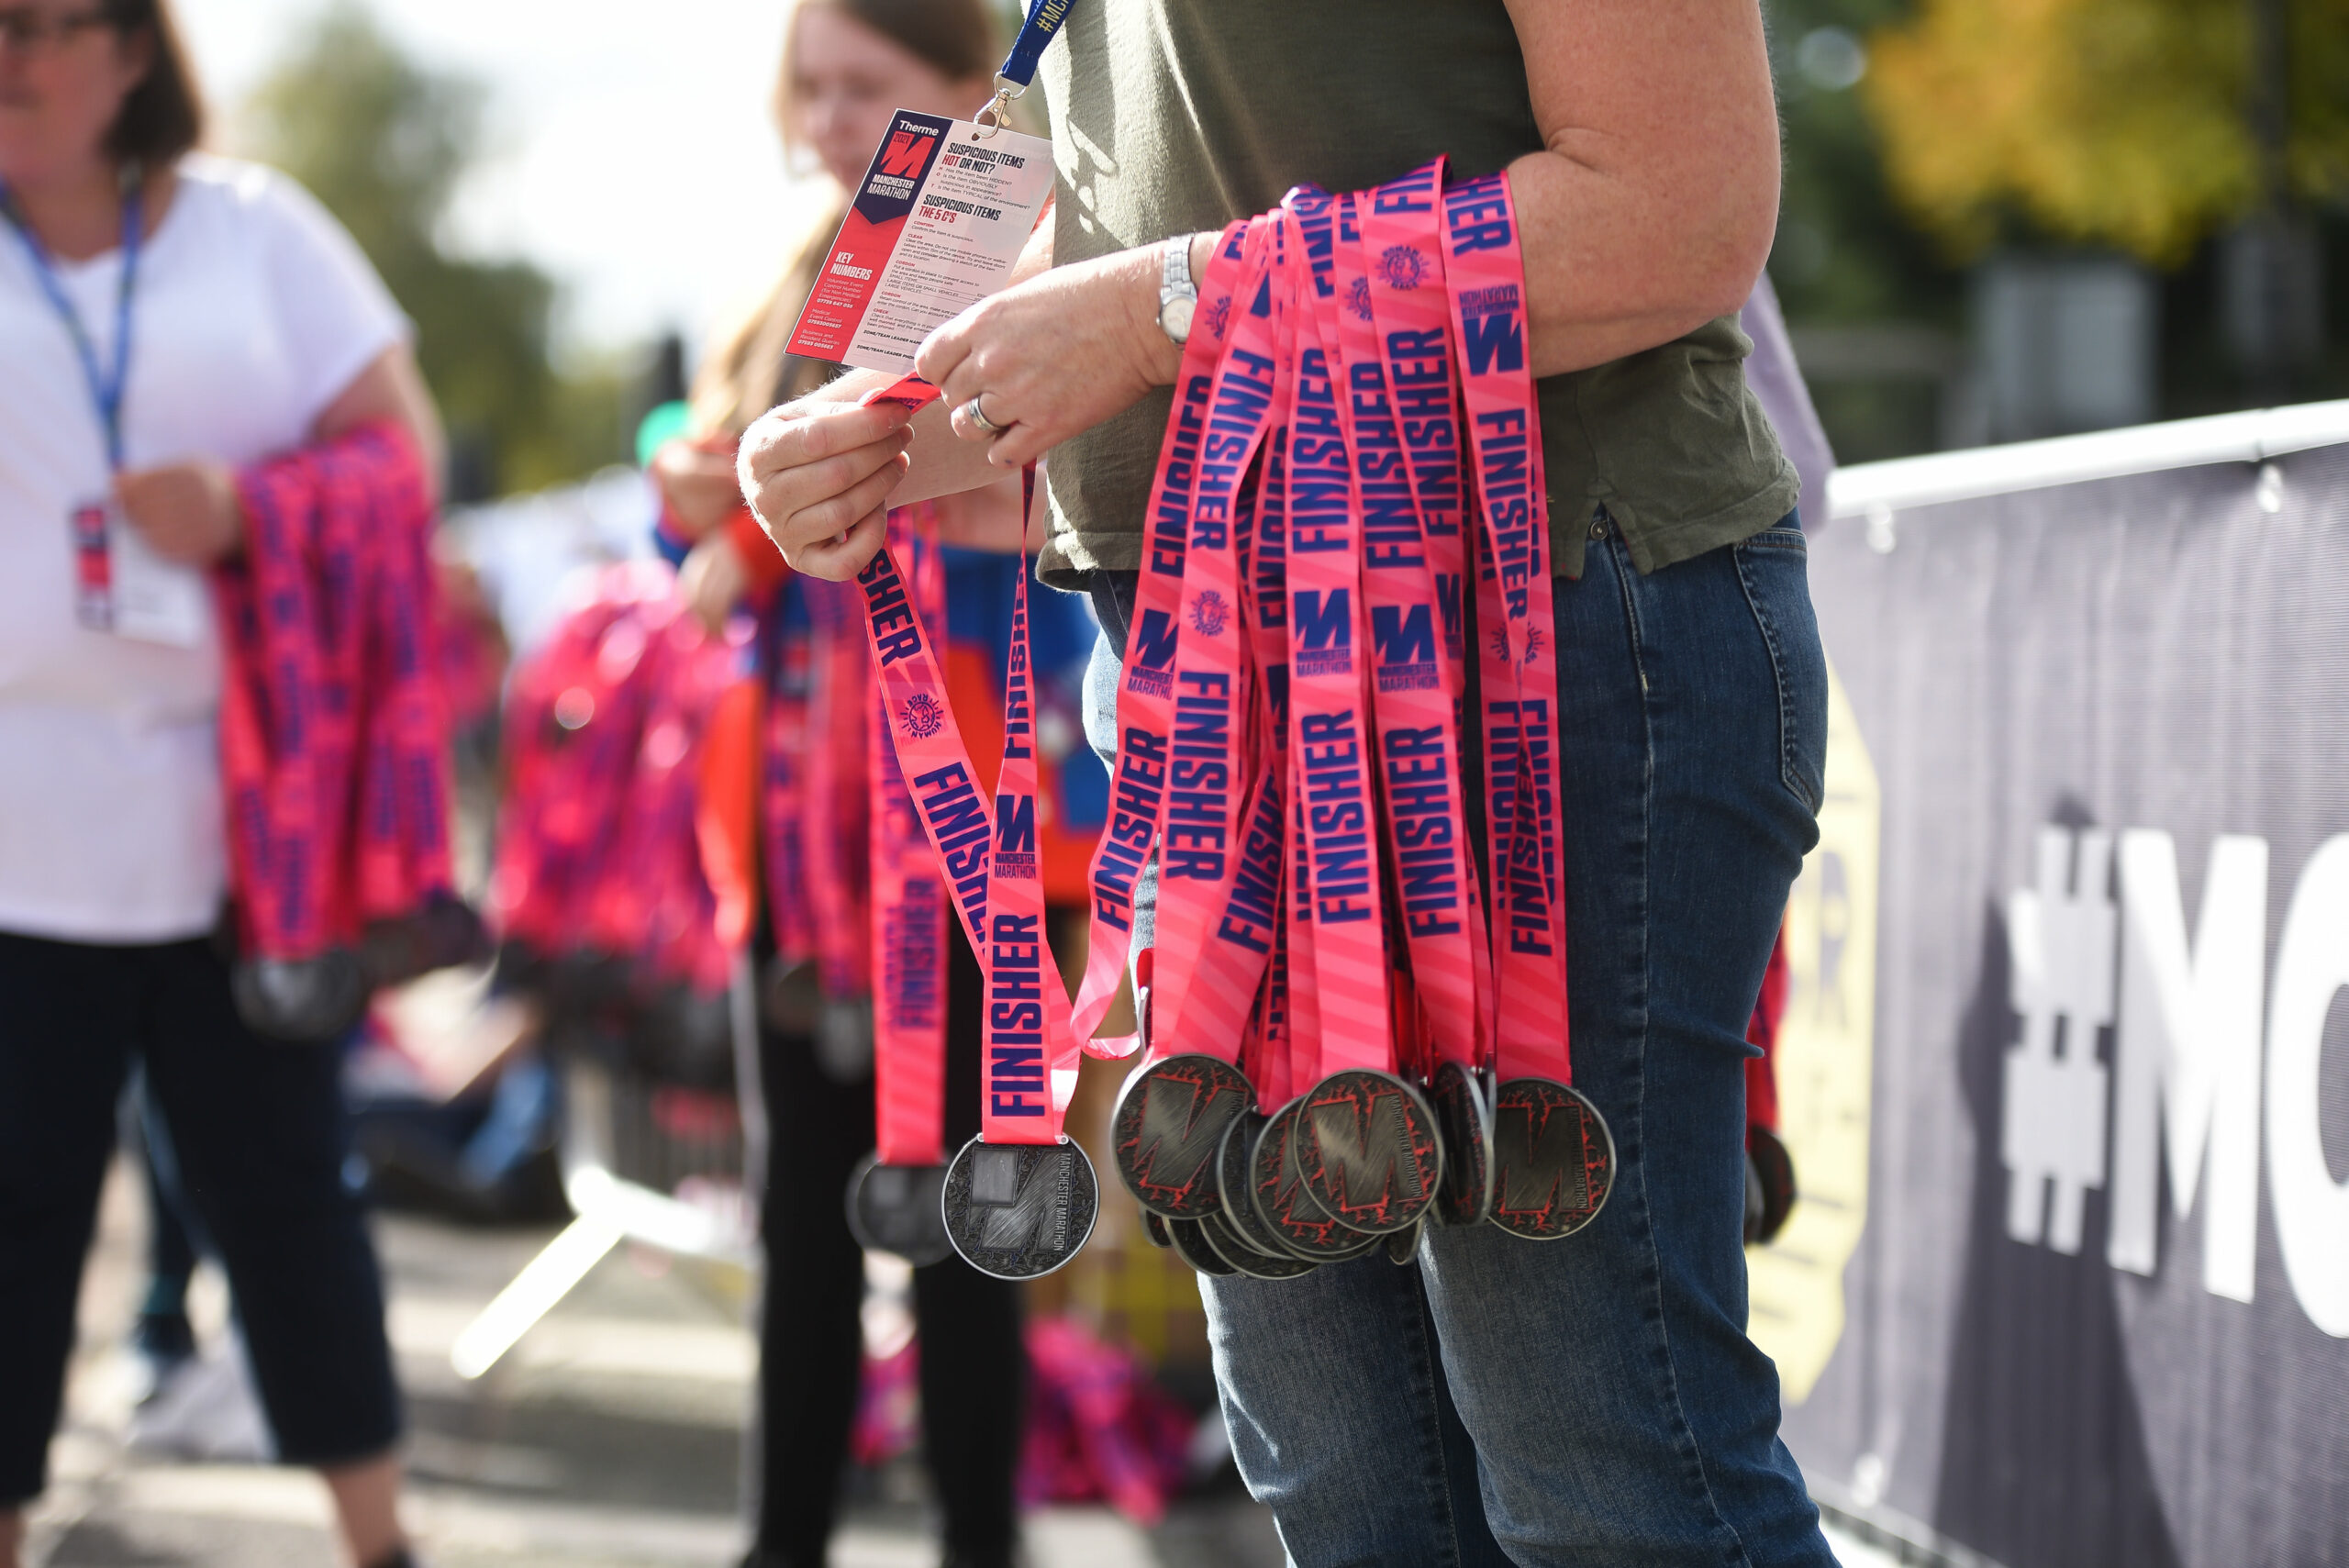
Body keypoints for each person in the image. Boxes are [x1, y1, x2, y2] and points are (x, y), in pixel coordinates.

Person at [740, 1, 1840, 1562]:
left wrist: (1153, 311)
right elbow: (1138, 232)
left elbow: (1680, 212)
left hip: (1541, 632)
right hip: (1199, 684)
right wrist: (888, 435)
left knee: (1611, 1483)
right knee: (1346, 1483)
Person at [644, 4, 1102, 1564]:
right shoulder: (790, 277)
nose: (835, 122)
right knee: (801, 1224)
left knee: (972, 1225)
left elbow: (1039, 515)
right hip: (796, 836)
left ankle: (981, 1539)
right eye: (813, 89)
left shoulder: (1034, 276)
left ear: (974, 98)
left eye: (871, 88)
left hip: (977, 828)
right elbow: (709, 468)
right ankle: (781, 1542)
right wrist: (694, 485)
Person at [0, 4, 440, 1565]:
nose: (7, 58)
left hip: (249, 846)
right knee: (11, 1227)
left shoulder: (259, 230)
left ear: (129, 50)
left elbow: (403, 461)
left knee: (287, 1209)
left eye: (34, 25)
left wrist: (249, 510)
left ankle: (381, 1545)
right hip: (18, 843)